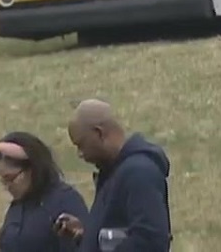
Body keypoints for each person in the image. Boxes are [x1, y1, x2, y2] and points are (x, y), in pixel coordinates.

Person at [53, 100, 171, 252]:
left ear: (99, 133)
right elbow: (119, 231)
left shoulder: (139, 173)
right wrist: (88, 234)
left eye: (81, 145)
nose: (80, 154)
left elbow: (150, 241)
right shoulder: (115, 172)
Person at [0, 131, 88, 252]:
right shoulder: (18, 206)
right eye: (1, 178)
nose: (6, 186)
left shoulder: (65, 201)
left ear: (32, 169)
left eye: (10, 178)